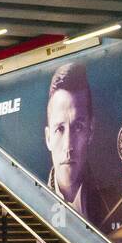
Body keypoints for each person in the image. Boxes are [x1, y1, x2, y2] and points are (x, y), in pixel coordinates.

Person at [44, 61, 100, 216]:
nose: (68, 146)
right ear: (48, 138)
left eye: (78, 127)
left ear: (91, 130)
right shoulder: (33, 207)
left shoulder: (111, 203)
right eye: (60, 129)